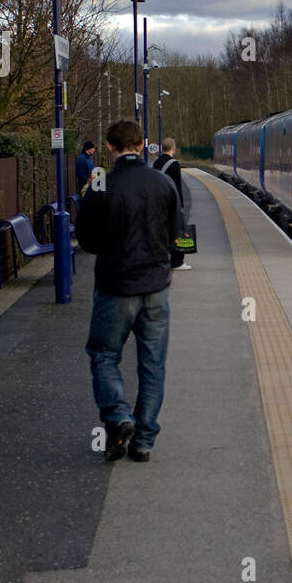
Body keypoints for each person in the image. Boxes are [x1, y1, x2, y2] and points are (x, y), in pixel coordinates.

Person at [75, 120, 181, 463]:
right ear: (142, 145)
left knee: (104, 356)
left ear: (109, 146)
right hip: (155, 289)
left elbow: (88, 242)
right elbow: (180, 242)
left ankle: (119, 416)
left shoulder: (102, 186)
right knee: (153, 365)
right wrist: (167, 261)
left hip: (115, 287)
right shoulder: (164, 182)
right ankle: (144, 441)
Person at [152, 137, 192, 270]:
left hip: (158, 202)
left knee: (160, 231)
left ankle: (161, 259)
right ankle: (177, 262)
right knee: (177, 231)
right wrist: (180, 205)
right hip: (171, 202)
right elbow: (176, 186)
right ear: (173, 149)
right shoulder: (174, 164)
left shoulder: (156, 162)